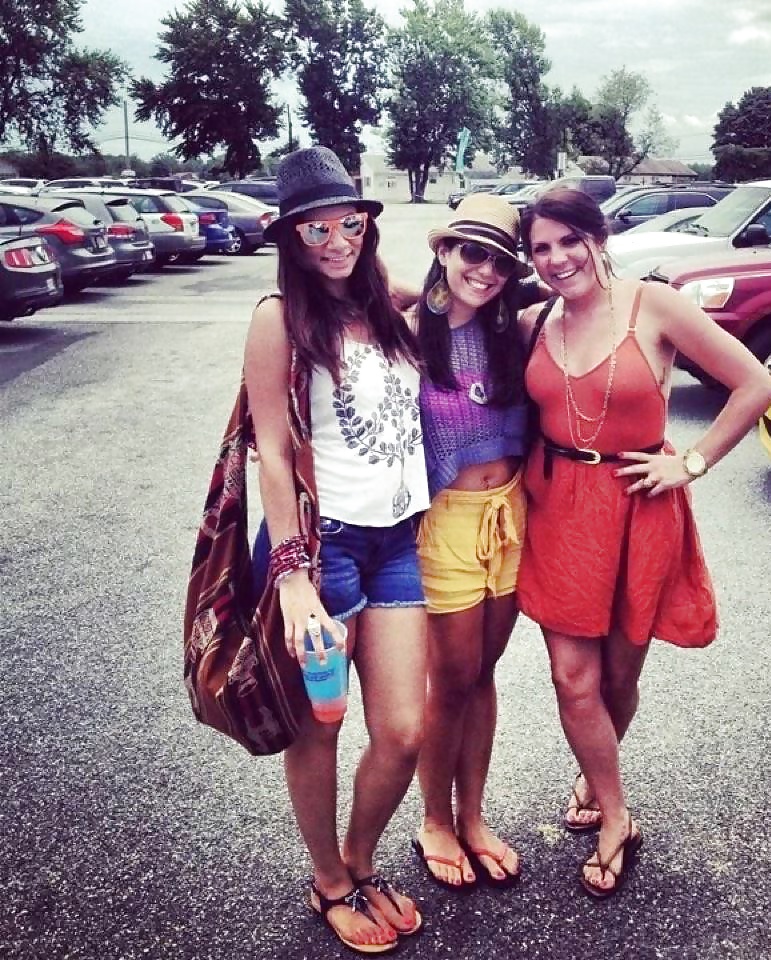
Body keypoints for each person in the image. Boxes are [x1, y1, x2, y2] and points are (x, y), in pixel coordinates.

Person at [516, 186, 771, 899]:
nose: (557, 259)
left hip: (639, 505)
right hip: (558, 509)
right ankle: (617, 816)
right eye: (540, 248)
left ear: (597, 238)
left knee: (618, 677)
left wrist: (690, 462)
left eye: (569, 241)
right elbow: (446, 316)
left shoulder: (653, 305)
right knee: (572, 678)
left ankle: (594, 774)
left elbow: (756, 384)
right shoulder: (533, 320)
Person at [245, 145, 429, 954]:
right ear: (290, 237)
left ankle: (360, 859)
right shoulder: (278, 317)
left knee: (404, 730)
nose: (334, 241)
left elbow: (455, 292)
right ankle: (329, 881)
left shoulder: (384, 302)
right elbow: (273, 452)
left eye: (348, 223)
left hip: (398, 542)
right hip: (326, 552)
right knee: (320, 727)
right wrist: (291, 577)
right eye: (314, 229)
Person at [410, 195, 532, 889]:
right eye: (471, 253)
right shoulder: (405, 332)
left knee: (484, 672)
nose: (484, 270)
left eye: (499, 261)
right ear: (444, 252)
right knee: (451, 677)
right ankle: (434, 819)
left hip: (511, 516)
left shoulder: (515, 329)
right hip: (446, 521)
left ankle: (473, 816)